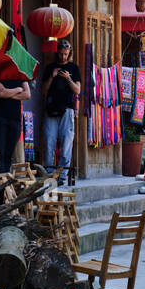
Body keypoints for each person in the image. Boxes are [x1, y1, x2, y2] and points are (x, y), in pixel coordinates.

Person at [40, 38, 81, 185]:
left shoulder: (74, 68)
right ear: (57, 52)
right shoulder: (50, 67)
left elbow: (78, 90)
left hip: (67, 110)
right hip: (51, 109)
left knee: (66, 144)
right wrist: (52, 76)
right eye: (61, 54)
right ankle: (49, 175)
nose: (63, 56)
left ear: (69, 53)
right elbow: (43, 91)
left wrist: (68, 79)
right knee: (49, 142)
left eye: (65, 54)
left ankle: (62, 175)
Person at [0, 76, 31, 174]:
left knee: (9, 153)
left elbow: (27, 94)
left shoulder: (19, 74)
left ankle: (5, 181)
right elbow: (0, 93)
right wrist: (18, 89)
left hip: (15, 118)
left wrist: (8, 93)